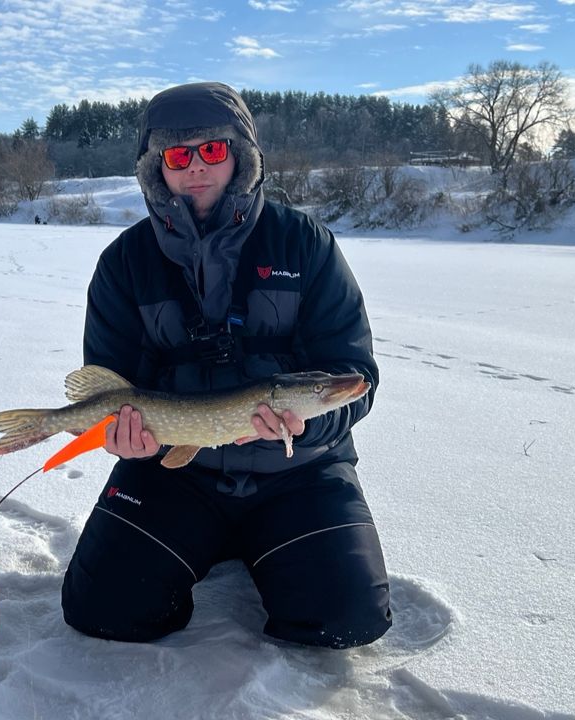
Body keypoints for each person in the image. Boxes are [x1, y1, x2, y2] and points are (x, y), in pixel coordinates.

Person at [60, 82, 391, 649]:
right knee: (104, 608)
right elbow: (109, 384)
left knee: (346, 618)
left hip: (300, 473)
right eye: (177, 155)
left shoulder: (304, 245)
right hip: (177, 471)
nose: (195, 167)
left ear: (240, 156)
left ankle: (263, 544)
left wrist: (314, 423)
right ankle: (209, 541)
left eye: (212, 150)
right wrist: (118, 439)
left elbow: (354, 372)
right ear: (155, 168)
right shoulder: (125, 263)